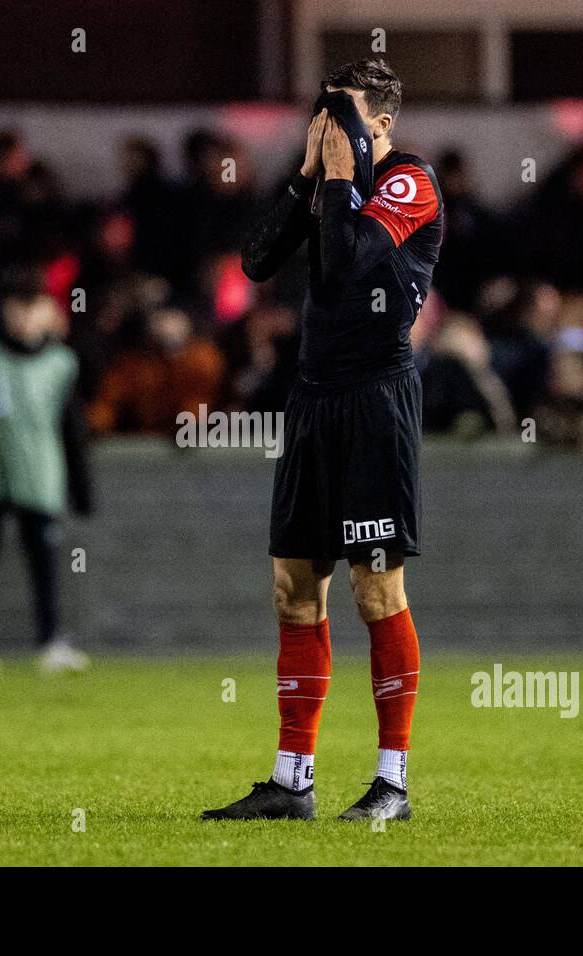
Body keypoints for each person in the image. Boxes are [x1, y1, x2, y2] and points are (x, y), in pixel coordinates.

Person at [203, 58, 443, 823]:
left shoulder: (410, 182)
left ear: (381, 123)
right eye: (322, 112)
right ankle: (292, 781)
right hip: (311, 401)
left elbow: (341, 268)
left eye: (342, 115)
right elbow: (258, 259)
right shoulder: (328, 182)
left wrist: (339, 175)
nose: (328, 126)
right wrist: (308, 173)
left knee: (377, 591)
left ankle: (392, 785)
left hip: (375, 399)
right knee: (292, 588)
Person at [0, 282, 93, 675]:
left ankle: (51, 640)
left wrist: (82, 487)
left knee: (45, 563)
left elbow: (73, 429)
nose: (25, 318)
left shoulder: (61, 363)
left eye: (35, 308)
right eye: (18, 308)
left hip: (40, 477)